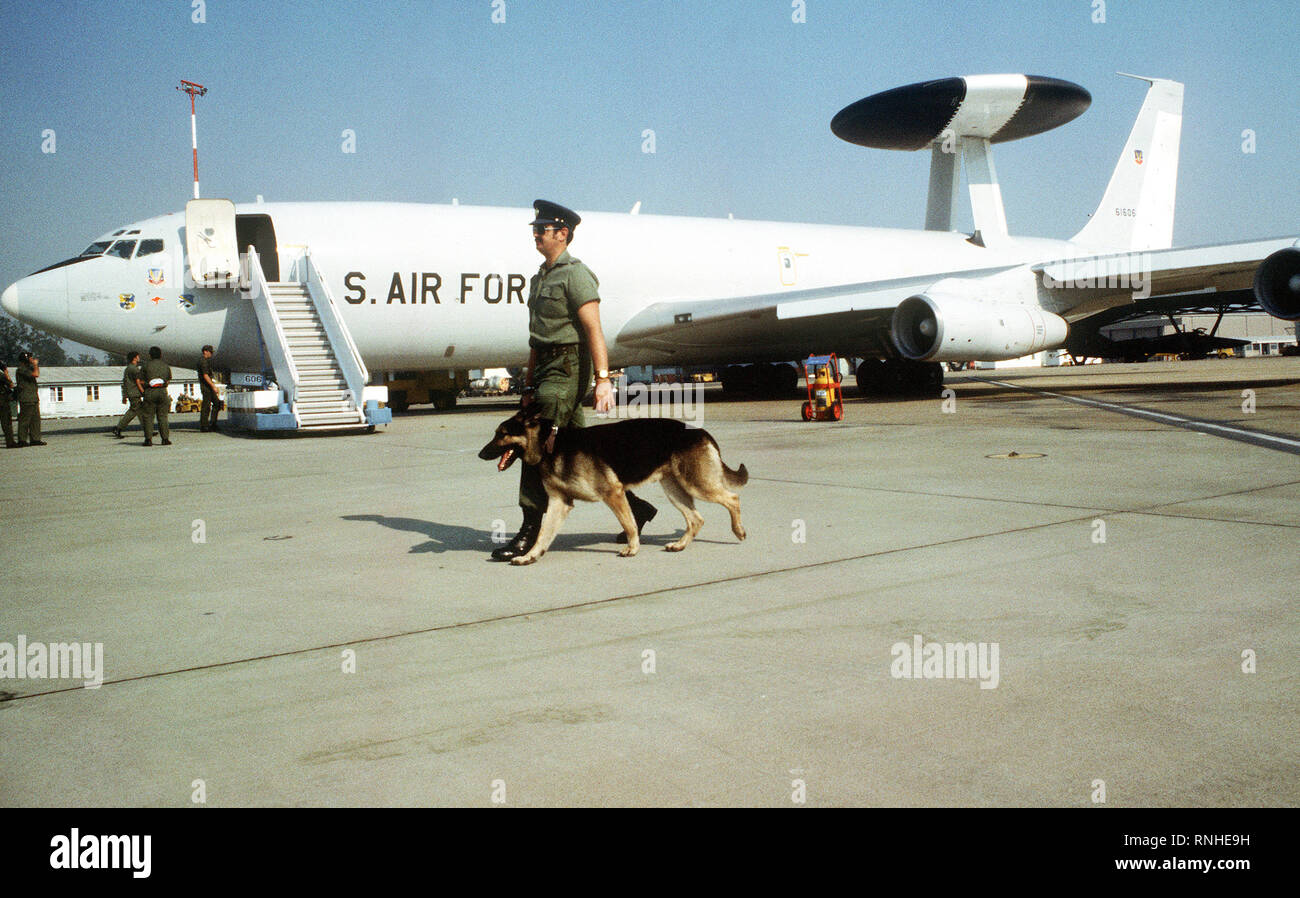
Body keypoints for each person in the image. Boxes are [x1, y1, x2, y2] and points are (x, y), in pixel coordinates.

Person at [491, 199, 656, 562]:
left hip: (568, 370)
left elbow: (594, 329)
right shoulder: (540, 277)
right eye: (534, 230)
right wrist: (529, 384)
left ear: (562, 234)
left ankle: (530, 527)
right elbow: (537, 338)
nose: (536, 235)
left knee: (534, 444)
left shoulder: (576, 274)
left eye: (542, 230)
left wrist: (603, 379)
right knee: (581, 450)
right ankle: (636, 508)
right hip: (546, 369)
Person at [139, 346, 173, 446]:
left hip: (150, 391)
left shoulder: (146, 366)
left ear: (150, 355)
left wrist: (145, 387)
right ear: (160, 355)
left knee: (148, 416)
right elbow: (168, 380)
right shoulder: (165, 366)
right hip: (162, 392)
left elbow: (140, 380)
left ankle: (148, 440)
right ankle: (165, 439)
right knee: (163, 416)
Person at [15, 351, 45, 447]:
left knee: (35, 420)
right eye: (30, 358)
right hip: (26, 398)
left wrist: (34, 365)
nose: (32, 359)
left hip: (33, 398)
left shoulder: (28, 368)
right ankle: (22, 440)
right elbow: (36, 374)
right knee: (25, 420)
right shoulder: (21, 369)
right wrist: (36, 365)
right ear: (26, 359)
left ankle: (35, 439)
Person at [113, 351, 144, 439]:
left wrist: (124, 395)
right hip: (135, 393)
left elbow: (125, 383)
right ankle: (118, 428)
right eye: (138, 356)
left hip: (131, 393)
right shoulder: (134, 369)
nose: (139, 358)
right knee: (133, 411)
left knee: (141, 412)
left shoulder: (128, 369)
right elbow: (138, 381)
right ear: (134, 358)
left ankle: (147, 430)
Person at [198, 344, 221, 432]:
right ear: (205, 352)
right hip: (206, 387)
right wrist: (213, 386)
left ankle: (213, 423)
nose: (211, 354)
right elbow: (205, 375)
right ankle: (204, 426)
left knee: (217, 403)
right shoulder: (203, 361)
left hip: (208, 386)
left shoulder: (205, 361)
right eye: (210, 352)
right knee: (206, 406)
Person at [0, 361, 16, 448]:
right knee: (6, 422)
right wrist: (6, 372)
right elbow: (11, 384)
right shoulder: (1, 375)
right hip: (2, 400)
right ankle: (10, 442)